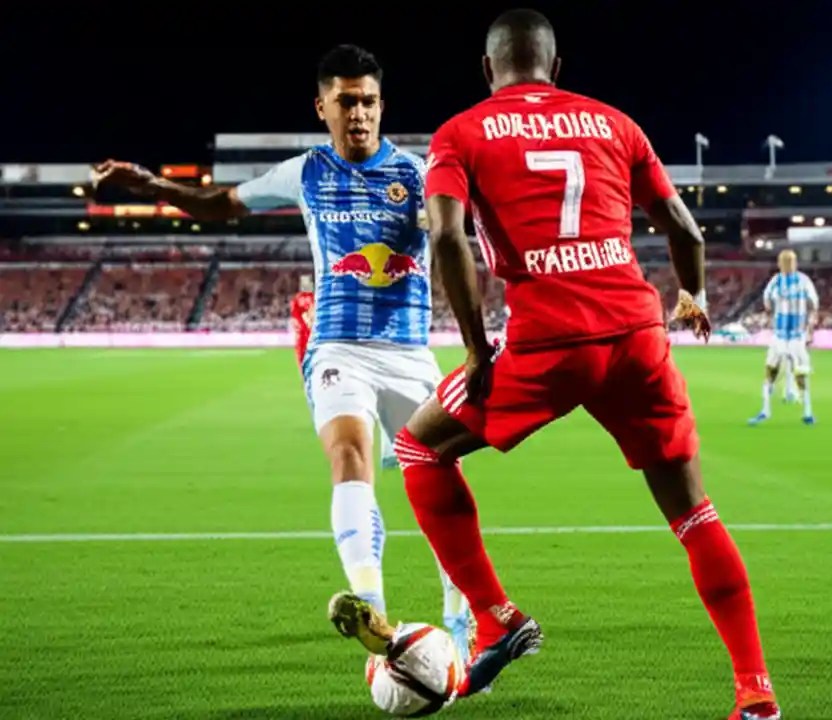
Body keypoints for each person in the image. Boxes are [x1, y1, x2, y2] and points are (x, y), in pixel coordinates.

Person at [357, 10, 779, 718]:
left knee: (419, 450)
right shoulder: (615, 122)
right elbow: (683, 227)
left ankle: (497, 617)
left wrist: (473, 345)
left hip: (549, 341)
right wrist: (693, 298)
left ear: (488, 69)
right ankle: (755, 692)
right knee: (694, 513)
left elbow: (449, 240)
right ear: (555, 67)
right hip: (638, 333)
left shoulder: (461, 132)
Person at [91, 44, 471, 662]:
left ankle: (459, 615)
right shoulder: (305, 173)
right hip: (337, 346)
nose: (359, 114)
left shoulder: (418, 175)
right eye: (346, 102)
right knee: (350, 454)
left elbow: (456, 235)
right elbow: (220, 205)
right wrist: (149, 183)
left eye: (369, 101)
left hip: (408, 351)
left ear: (382, 105)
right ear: (321, 106)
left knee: (438, 478)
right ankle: (371, 608)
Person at [291, 275, 398, 469]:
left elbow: (303, 321)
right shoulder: (313, 299)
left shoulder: (305, 300)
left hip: (318, 346)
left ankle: (338, 420)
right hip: (328, 345)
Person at [749, 249, 819, 426]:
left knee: (779, 373)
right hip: (790, 336)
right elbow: (813, 305)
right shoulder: (801, 281)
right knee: (791, 373)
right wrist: (808, 326)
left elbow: (767, 305)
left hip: (787, 336)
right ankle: (806, 411)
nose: (788, 264)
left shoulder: (778, 282)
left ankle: (769, 411)